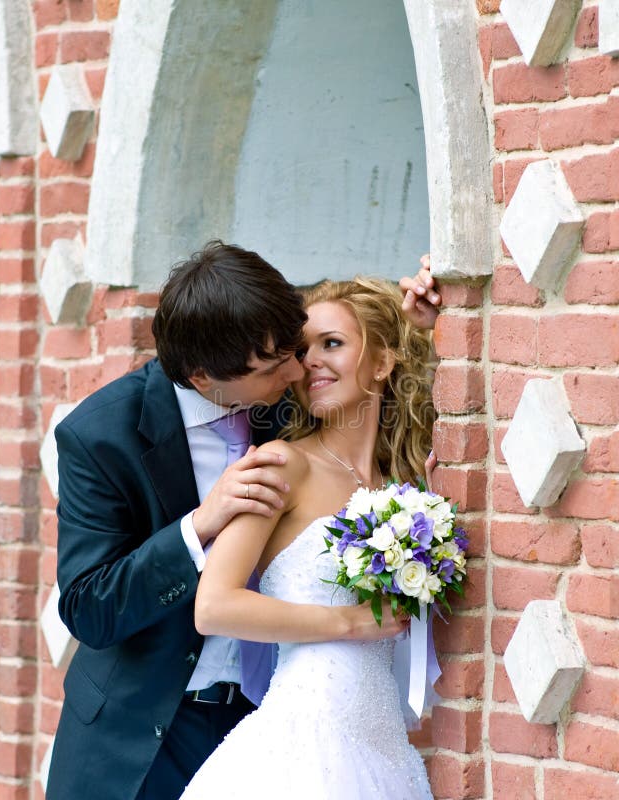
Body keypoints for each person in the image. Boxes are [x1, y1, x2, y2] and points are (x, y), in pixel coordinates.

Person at [46, 241, 441, 800]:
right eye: (279, 362)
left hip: (272, 724)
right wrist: (198, 525)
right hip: (138, 740)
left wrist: (423, 325)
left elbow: (375, 382)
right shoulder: (100, 436)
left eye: (295, 348)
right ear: (208, 377)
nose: (298, 368)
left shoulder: (289, 405)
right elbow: (88, 606)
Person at [180, 276, 437, 799]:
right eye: (303, 350)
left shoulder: (409, 490)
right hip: (303, 743)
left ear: (384, 362)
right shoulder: (282, 464)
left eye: (332, 343)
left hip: (383, 746)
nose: (311, 361)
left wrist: (436, 327)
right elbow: (214, 606)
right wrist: (346, 622)